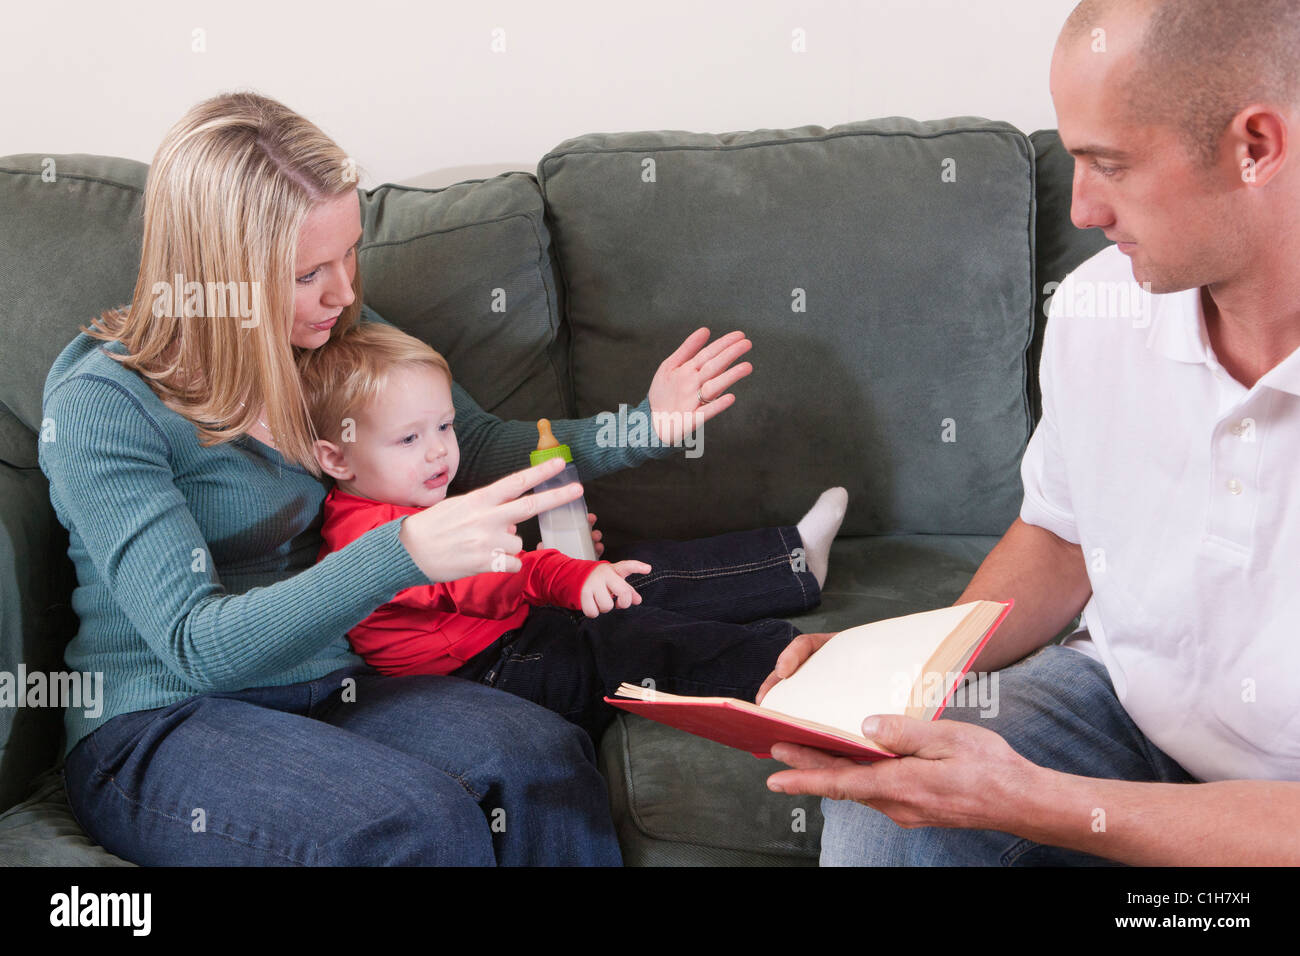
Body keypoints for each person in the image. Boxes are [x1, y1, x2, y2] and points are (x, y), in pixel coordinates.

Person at [39, 91, 772, 865]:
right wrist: (409, 551)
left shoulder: (325, 335)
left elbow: (481, 443)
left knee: (540, 762)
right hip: (166, 720)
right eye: (307, 272)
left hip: (329, 684)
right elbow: (197, 644)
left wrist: (644, 428)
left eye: (350, 252)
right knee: (414, 824)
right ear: (219, 273)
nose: (345, 292)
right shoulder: (101, 405)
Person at [761, 0, 1300, 866]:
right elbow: (1061, 536)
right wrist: (908, 661)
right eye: (1072, 158)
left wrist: (1044, 803)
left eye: (1110, 164)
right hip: (1120, 702)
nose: (1084, 209)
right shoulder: (1100, 307)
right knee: (888, 810)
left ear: (1256, 147)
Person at [298, 321, 849, 740]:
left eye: (444, 426)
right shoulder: (367, 540)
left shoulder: (399, 500)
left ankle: (792, 561)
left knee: (634, 573)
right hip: (486, 674)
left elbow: (505, 576)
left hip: (509, 632)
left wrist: (572, 568)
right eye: (408, 439)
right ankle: (794, 674)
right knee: (631, 639)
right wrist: (564, 574)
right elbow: (488, 583)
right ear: (337, 458)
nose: (440, 450)